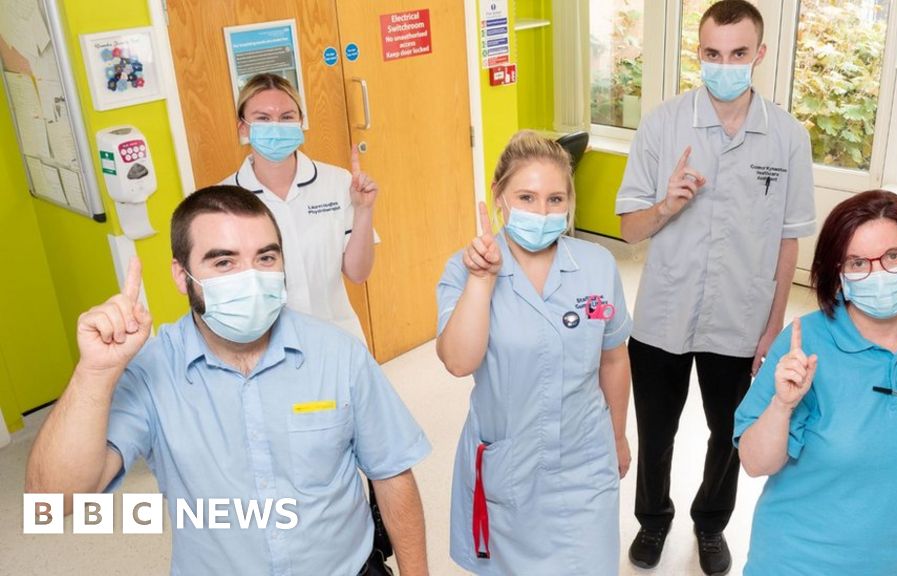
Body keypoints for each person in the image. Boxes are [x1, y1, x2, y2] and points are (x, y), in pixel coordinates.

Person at [25, 186, 430, 576]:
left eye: (265, 258)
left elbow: (391, 472)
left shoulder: (338, 354)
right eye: (224, 263)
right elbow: (50, 503)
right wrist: (94, 373)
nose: (250, 278)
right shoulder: (151, 371)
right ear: (182, 276)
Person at [614, 1, 816, 573]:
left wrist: (773, 327)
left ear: (760, 54)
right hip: (664, 314)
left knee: (729, 432)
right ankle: (653, 519)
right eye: (712, 53)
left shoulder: (788, 139)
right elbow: (629, 229)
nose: (724, 65)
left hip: (740, 318)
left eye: (738, 53)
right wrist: (667, 205)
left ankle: (710, 524)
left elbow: (788, 242)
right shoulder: (662, 125)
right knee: (656, 430)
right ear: (698, 52)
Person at [734, 190, 897, 576]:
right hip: (803, 565)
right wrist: (782, 406)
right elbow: (755, 463)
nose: (879, 275)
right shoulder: (806, 344)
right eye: (858, 263)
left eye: (893, 256)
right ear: (838, 274)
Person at [436, 131, 632, 575]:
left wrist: (618, 436)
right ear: (499, 196)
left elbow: (613, 358)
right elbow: (458, 361)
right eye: (526, 197)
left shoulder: (596, 266)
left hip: (586, 461)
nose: (541, 212)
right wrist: (482, 282)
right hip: (509, 465)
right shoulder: (465, 270)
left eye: (554, 199)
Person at [222, 73, 378, 341]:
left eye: (286, 117)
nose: (276, 126)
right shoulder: (223, 200)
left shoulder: (337, 182)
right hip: (267, 345)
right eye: (263, 118)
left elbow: (358, 273)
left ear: (301, 122)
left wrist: (364, 210)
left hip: (336, 336)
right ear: (243, 128)